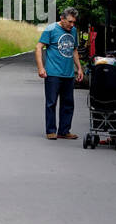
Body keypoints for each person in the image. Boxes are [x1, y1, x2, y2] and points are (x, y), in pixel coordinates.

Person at [35, 7, 84, 139]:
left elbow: (74, 50)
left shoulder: (73, 30)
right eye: (69, 21)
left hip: (68, 74)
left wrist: (79, 68)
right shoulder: (51, 29)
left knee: (68, 104)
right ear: (62, 19)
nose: (72, 25)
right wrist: (41, 68)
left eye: (74, 22)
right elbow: (39, 47)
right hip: (53, 73)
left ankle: (64, 131)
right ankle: (51, 131)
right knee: (51, 103)